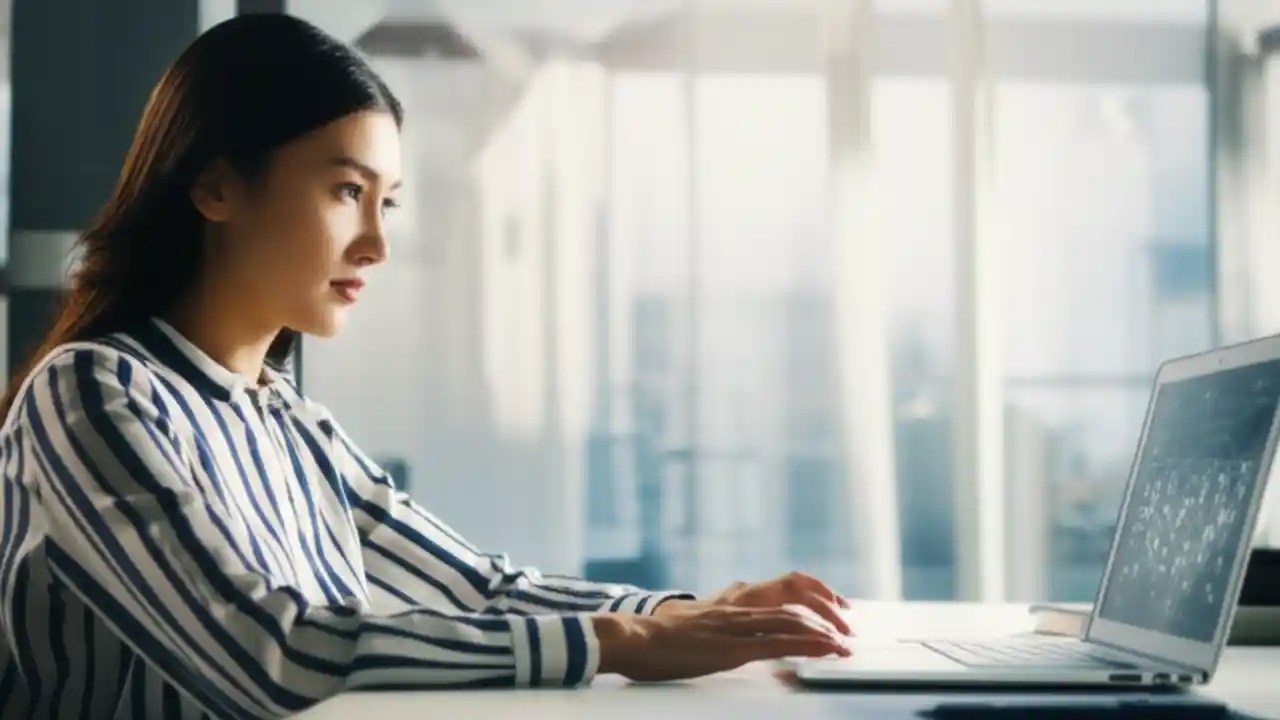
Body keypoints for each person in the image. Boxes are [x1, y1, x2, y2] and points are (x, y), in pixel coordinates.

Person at [0, 14, 853, 719]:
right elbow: (270, 653)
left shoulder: (285, 419)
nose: (376, 243)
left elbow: (478, 590)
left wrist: (681, 613)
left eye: (387, 202)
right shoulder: (91, 392)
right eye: (345, 191)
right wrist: (616, 643)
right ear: (217, 187)